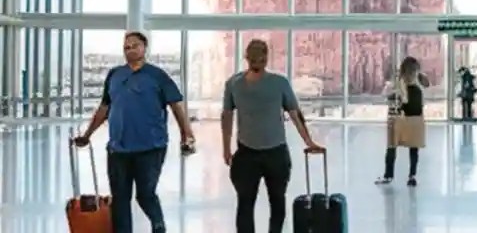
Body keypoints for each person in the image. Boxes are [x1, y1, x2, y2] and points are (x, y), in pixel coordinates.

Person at [74, 31, 196, 233]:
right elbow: (104, 108)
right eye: (126, 47)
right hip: (118, 148)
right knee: (120, 198)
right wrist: (87, 135)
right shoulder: (115, 75)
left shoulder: (157, 76)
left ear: (144, 48)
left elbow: (176, 106)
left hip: (151, 147)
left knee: (145, 194)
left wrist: (187, 134)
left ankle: (158, 225)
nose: (129, 50)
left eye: (134, 46)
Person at [222, 39, 324, 233]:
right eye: (253, 59)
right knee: (245, 203)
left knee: (277, 201)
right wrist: (226, 149)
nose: (257, 63)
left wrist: (308, 141)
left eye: (260, 59)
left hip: (276, 153)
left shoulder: (279, 83)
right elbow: (226, 117)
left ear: (267, 58)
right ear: (247, 58)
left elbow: (295, 113)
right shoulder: (233, 84)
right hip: (246, 154)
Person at [378, 56, 428, 186]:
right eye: (410, 71)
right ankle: (389, 175)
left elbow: (425, 87)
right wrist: (395, 94)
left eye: (414, 71)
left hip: (415, 118)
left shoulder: (419, 82)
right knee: (392, 147)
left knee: (413, 148)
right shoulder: (398, 83)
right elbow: (388, 96)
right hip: (399, 119)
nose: (411, 74)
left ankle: (412, 175)